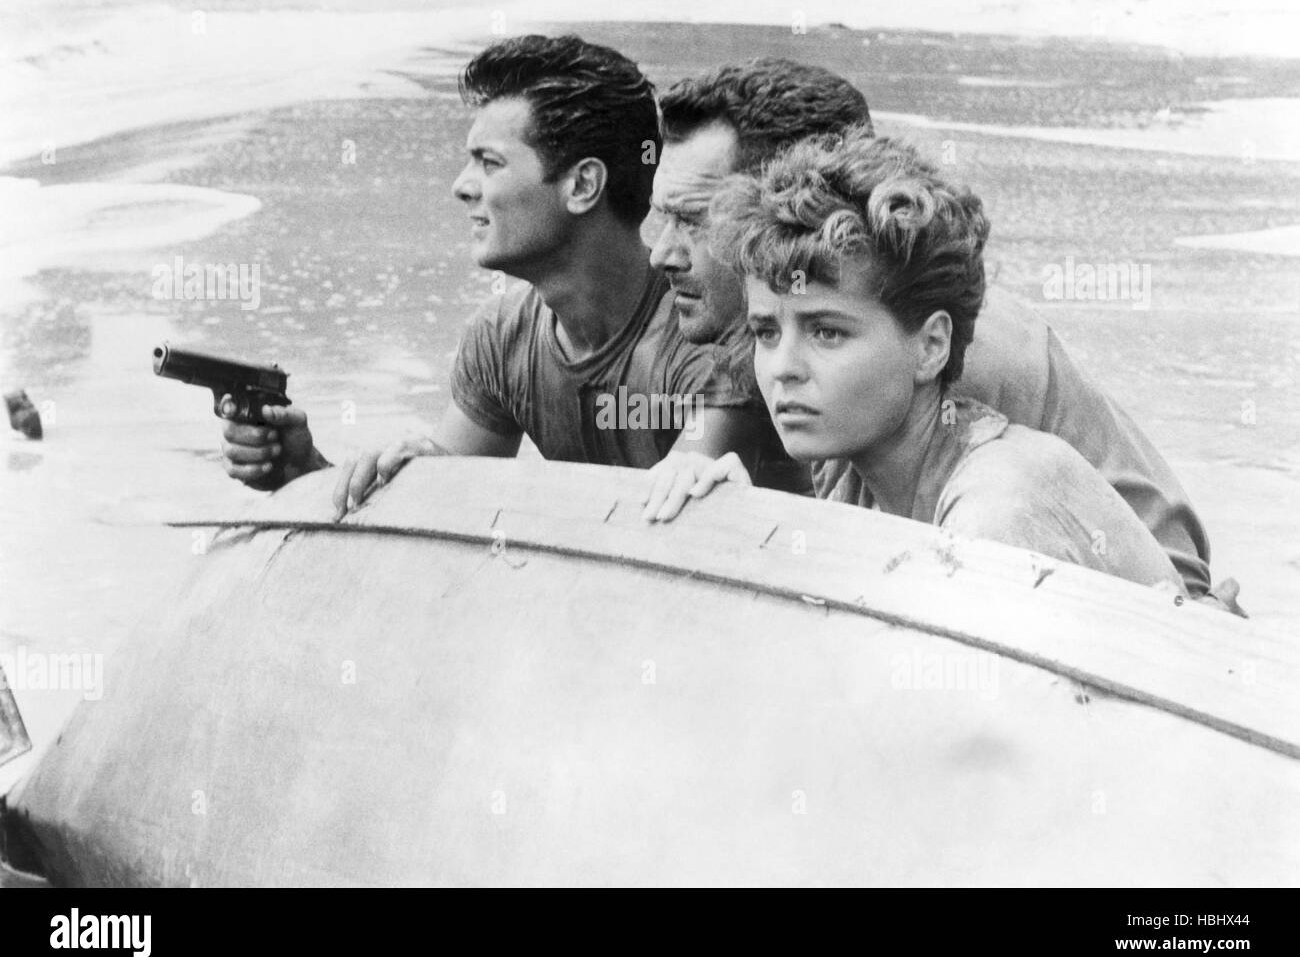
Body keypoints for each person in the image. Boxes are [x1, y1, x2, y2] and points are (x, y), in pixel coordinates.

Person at [639, 58, 1216, 600]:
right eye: (767, 332)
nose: (662, 251)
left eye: (694, 218)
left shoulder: (958, 376)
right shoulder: (849, 407)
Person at [218, 35, 743, 516]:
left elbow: (675, 524)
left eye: (490, 163)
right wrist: (307, 471)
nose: (462, 187)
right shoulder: (501, 338)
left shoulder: (710, 337)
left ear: (583, 185)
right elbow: (439, 523)